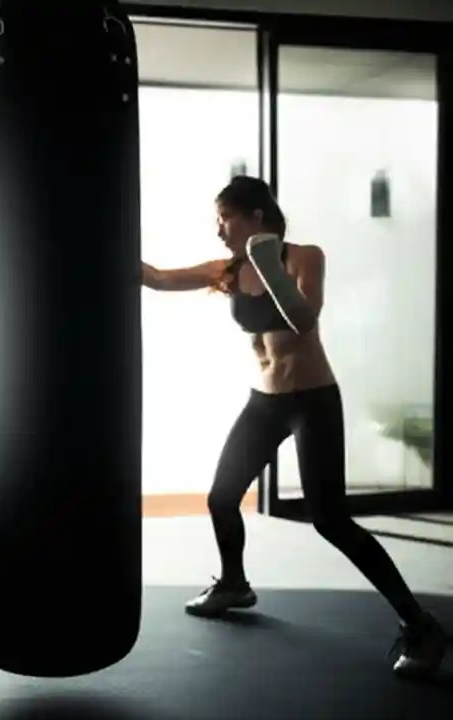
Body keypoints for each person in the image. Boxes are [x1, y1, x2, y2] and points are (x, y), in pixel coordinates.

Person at [140, 175, 445, 678]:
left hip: (312, 400)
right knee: (221, 497)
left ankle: (420, 623)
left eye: (226, 218)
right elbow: (156, 278)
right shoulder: (228, 270)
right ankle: (234, 584)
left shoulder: (305, 257)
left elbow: (304, 320)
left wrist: (268, 265)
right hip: (264, 402)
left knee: (330, 520)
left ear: (256, 216)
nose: (219, 230)